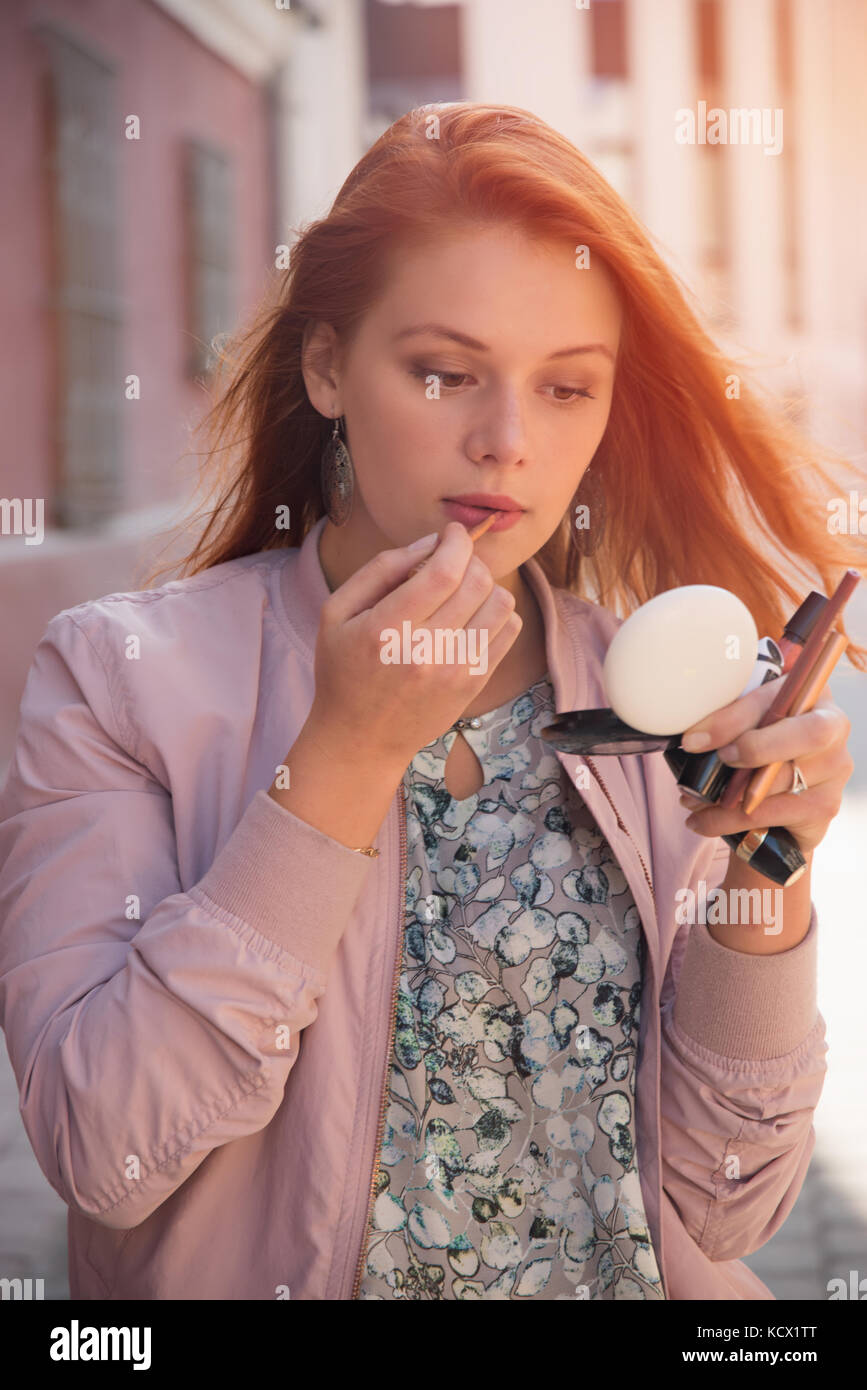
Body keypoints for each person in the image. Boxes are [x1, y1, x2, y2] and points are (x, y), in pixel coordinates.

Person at [0, 102, 863, 1302]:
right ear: (326, 366)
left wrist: (764, 880)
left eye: (567, 389)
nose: (506, 441)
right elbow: (106, 1152)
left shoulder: (661, 707)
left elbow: (731, 1198)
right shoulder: (117, 680)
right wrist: (344, 757)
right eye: (445, 372)